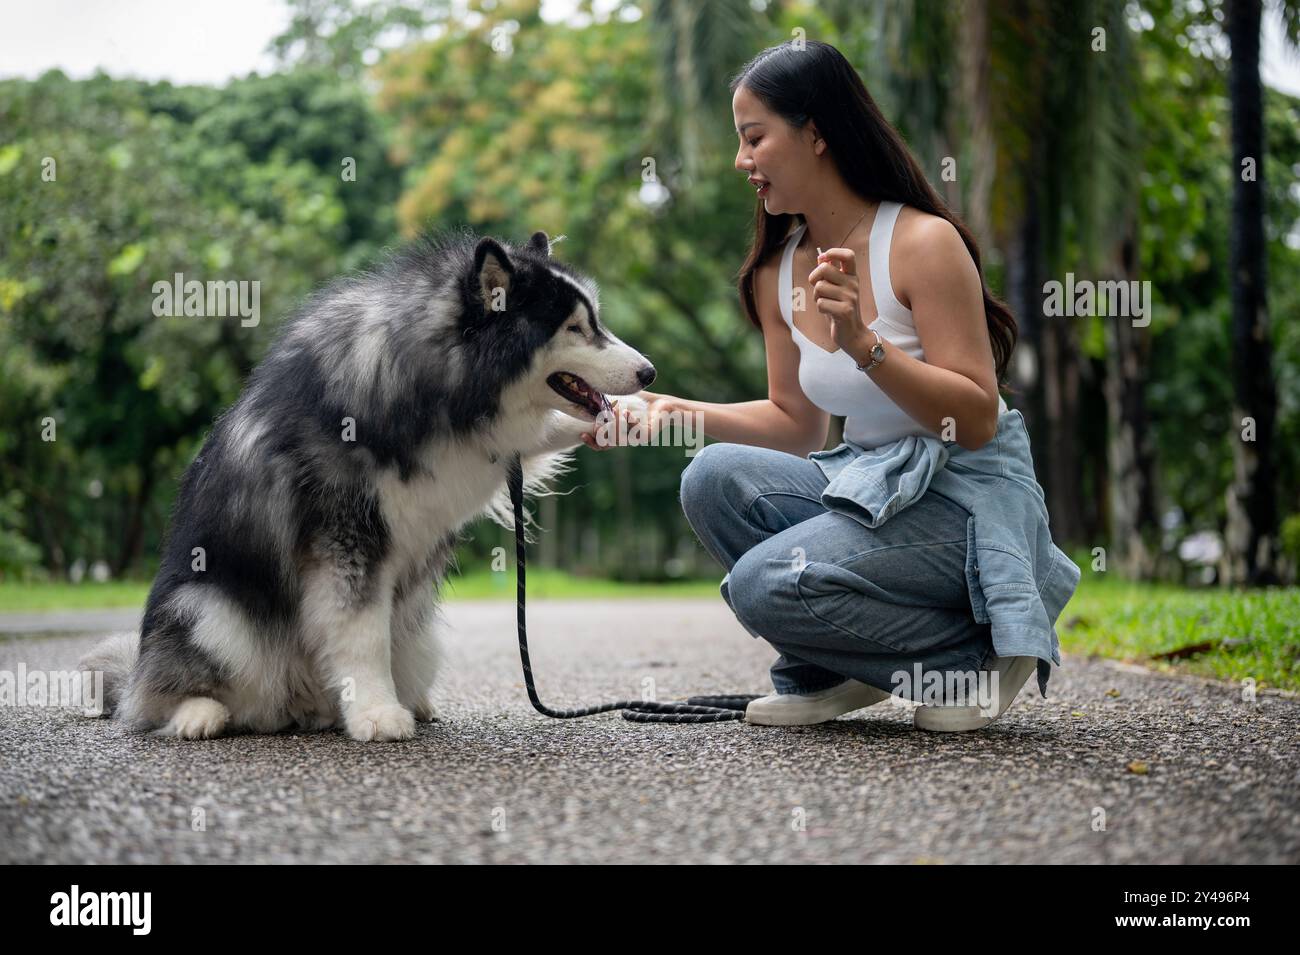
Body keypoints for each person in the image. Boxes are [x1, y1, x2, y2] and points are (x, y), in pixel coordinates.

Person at [583, 40, 1078, 732]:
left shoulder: (922, 244)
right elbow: (797, 424)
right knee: (710, 477)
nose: (741, 160)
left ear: (815, 133)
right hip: (873, 487)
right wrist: (672, 411)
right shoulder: (776, 271)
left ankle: (974, 656)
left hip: (965, 500)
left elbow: (975, 419)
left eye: (755, 138)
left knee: (762, 583)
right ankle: (831, 666)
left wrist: (865, 346)